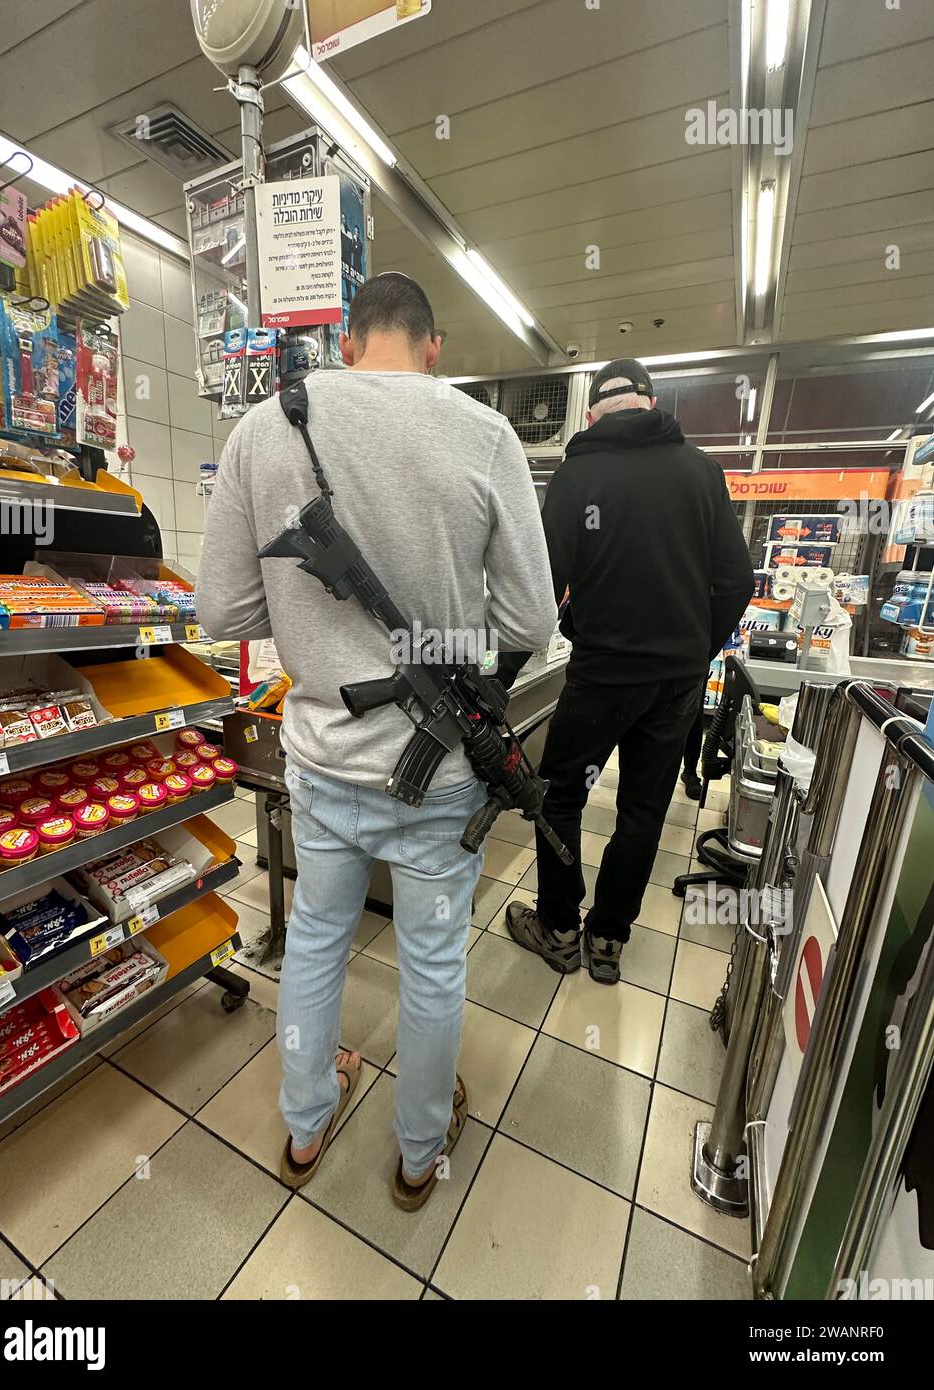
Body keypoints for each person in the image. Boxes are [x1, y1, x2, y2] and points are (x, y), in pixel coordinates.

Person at [196, 272, 557, 1208]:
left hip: (316, 762)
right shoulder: (483, 433)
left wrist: (319, 629)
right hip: (439, 783)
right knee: (433, 962)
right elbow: (530, 618)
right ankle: (418, 1152)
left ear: (348, 342)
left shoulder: (262, 431)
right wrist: (442, 637)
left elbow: (224, 608)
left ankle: (307, 1124)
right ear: (434, 349)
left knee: (314, 941)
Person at [502, 358, 754, 984]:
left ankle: (559, 927)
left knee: (561, 798)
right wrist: (695, 650)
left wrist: (497, 673)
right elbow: (739, 580)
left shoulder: (577, 475)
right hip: (675, 688)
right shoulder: (702, 472)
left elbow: (538, 594)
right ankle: (608, 939)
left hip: (600, 677)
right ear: (650, 401)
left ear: (590, 413)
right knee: (643, 812)